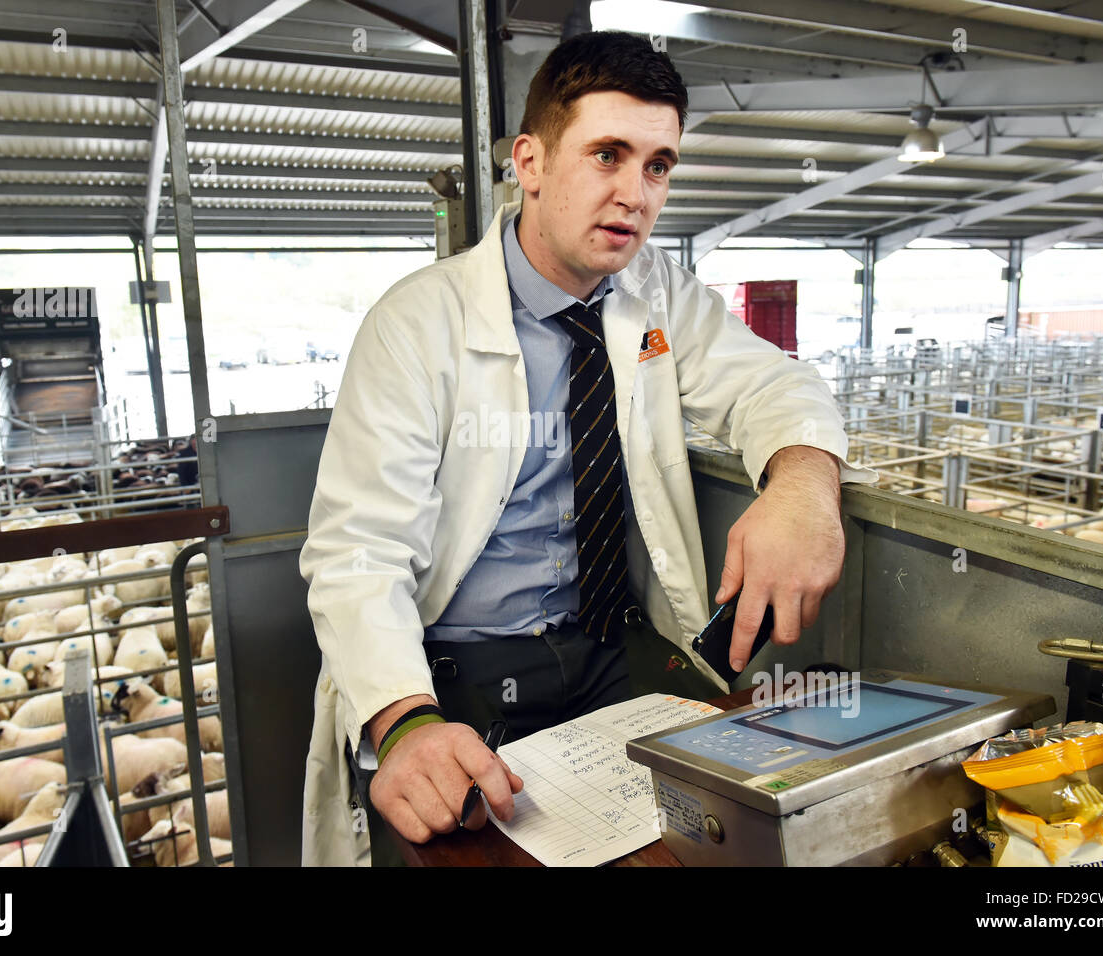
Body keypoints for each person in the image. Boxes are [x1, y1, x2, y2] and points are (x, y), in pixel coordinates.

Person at [298, 30, 876, 867]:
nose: (636, 193)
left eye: (658, 165)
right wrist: (407, 722)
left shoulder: (658, 297)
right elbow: (359, 552)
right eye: (607, 154)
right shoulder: (417, 324)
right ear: (530, 163)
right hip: (454, 668)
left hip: (609, 650)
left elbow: (774, 385)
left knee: (685, 844)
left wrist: (802, 488)